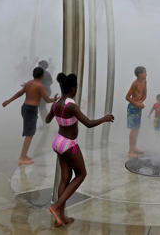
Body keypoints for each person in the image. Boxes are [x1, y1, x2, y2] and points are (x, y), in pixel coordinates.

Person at [46, 73, 113, 227]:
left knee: (65, 178)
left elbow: (47, 119)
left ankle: (60, 217)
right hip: (69, 144)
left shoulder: (56, 103)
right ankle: (56, 207)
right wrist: (105, 118)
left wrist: (55, 114)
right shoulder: (72, 106)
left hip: (58, 141)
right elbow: (88, 123)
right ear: (74, 89)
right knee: (81, 174)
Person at [2, 66, 59, 165]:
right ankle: (22, 157)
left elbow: (19, 93)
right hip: (31, 110)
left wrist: (8, 101)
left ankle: (24, 155)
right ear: (42, 76)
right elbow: (47, 99)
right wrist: (54, 99)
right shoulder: (39, 86)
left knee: (30, 132)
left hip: (25, 108)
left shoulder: (29, 83)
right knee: (29, 134)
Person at [125, 66, 147, 158]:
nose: (146, 74)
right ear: (139, 74)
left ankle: (134, 148)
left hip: (138, 107)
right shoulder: (135, 84)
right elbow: (127, 97)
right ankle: (130, 151)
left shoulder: (144, 82)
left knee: (137, 128)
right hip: (132, 109)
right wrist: (137, 104)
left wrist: (141, 102)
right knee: (133, 129)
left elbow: (145, 94)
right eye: (145, 72)